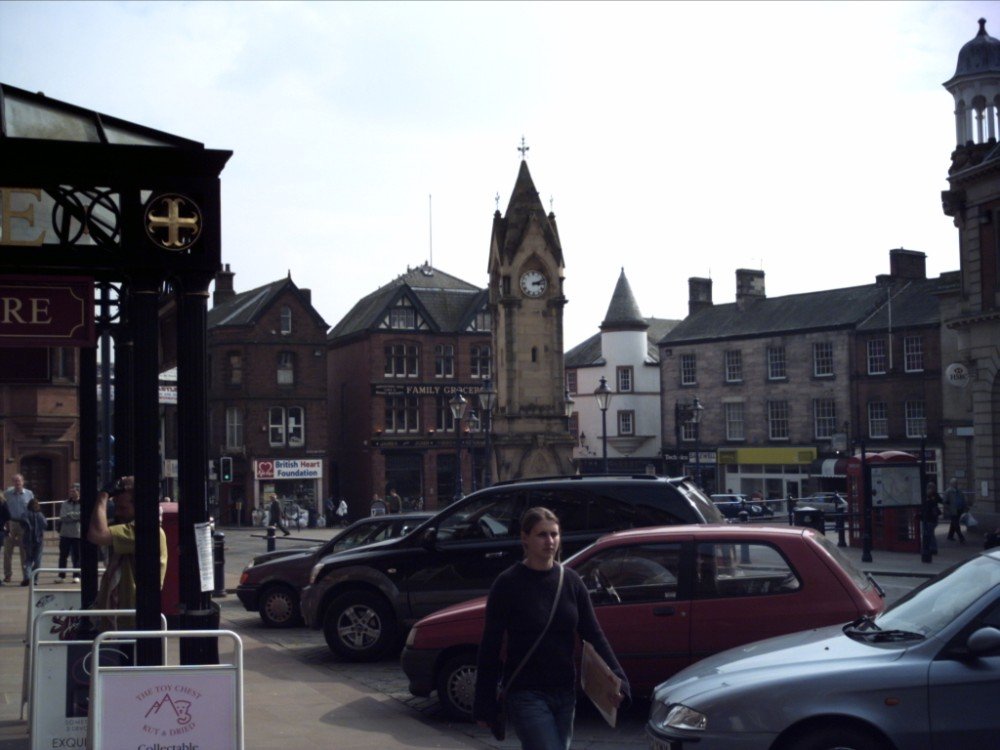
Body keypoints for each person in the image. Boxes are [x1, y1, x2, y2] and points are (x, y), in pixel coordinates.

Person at [473, 507, 629, 750]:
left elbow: (594, 634)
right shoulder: (508, 584)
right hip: (526, 693)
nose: (550, 541)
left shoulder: (571, 581)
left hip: (565, 693)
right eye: (542, 535)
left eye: (554, 534)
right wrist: (484, 703)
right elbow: (490, 645)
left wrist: (619, 680)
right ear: (524, 538)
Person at [87, 476, 168, 629]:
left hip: (131, 615)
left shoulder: (142, 530)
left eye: (123, 508)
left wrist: (103, 496)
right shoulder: (133, 526)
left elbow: (97, 534)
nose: (117, 512)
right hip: (124, 613)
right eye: (115, 506)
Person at [3, 474, 34, 584]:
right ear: (13, 482)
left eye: (19, 481)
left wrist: (32, 525)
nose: (17, 483)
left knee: (24, 551)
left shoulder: (29, 494)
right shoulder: (7, 494)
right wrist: (5, 525)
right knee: (7, 551)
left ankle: (26, 576)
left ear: (23, 482)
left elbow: (33, 509)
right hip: (10, 523)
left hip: (24, 524)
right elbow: (3, 509)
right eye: (15, 481)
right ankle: (7, 575)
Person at [57, 484, 83, 582]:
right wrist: (75, 516)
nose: (72, 493)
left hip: (77, 534)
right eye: (71, 491)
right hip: (65, 534)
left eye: (74, 491)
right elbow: (63, 517)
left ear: (79, 492)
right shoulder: (65, 504)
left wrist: (70, 515)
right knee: (63, 556)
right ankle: (61, 576)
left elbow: (82, 515)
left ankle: (76, 575)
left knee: (77, 556)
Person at [21, 498, 47, 585]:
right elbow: (45, 524)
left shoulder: (25, 514)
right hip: (38, 540)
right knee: (37, 560)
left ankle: (27, 577)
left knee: (28, 560)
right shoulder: (40, 515)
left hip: (28, 540)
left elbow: (22, 525)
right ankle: (35, 579)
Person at [920, 481, 943, 558]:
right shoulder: (927, 495)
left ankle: (931, 548)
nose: (930, 489)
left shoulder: (932, 496)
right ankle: (930, 548)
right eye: (929, 488)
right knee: (930, 534)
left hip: (931, 518)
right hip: (928, 518)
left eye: (931, 488)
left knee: (929, 534)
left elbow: (942, 501)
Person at [944, 478, 967, 544]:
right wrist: (948, 509)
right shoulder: (948, 491)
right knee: (956, 524)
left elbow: (963, 499)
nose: (956, 484)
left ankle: (950, 536)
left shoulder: (959, 491)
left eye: (956, 483)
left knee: (953, 523)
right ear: (951, 484)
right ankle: (961, 537)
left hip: (959, 510)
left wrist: (965, 507)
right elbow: (945, 502)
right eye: (954, 483)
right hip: (952, 511)